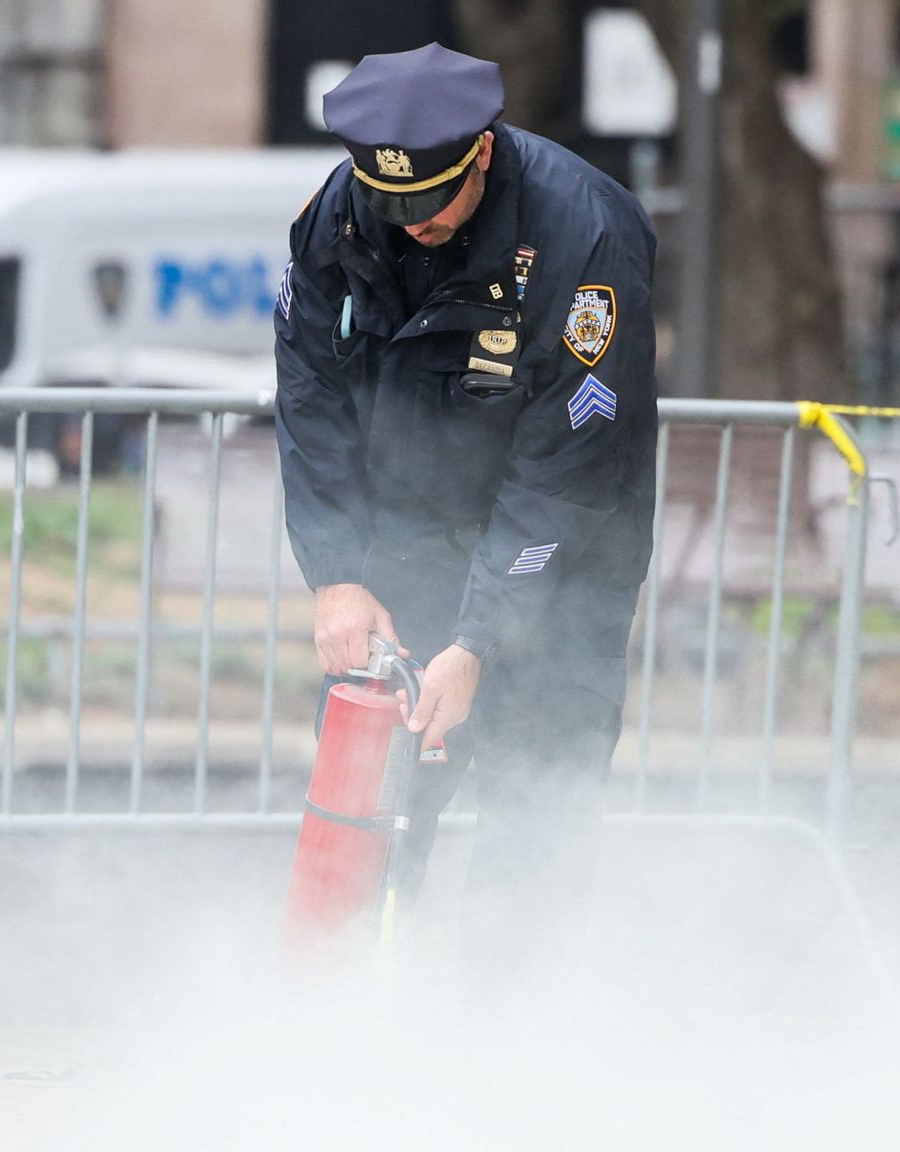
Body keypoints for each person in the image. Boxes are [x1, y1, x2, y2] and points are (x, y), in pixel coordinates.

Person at [274, 43, 658, 981]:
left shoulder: (586, 232)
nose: (411, 226)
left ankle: (502, 1052)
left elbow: (569, 462)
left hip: (566, 555)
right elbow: (310, 392)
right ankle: (326, 1027)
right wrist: (339, 573)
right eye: (390, 203)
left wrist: (481, 637)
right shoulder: (342, 210)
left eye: (431, 202)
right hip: (407, 541)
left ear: (481, 154)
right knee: (369, 805)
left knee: (538, 815)